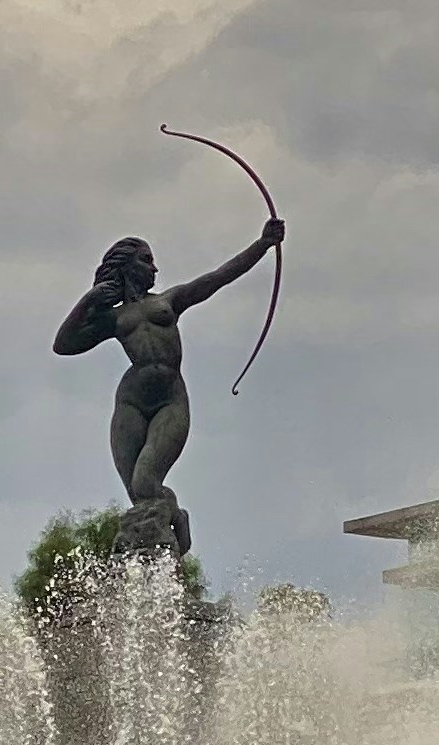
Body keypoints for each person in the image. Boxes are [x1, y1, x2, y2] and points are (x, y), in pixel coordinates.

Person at [53, 219, 284, 539]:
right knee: (138, 496)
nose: (154, 268)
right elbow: (63, 345)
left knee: (146, 481)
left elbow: (217, 278)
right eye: (146, 260)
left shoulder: (168, 301)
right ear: (126, 266)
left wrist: (263, 244)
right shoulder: (114, 318)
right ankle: (159, 537)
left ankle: (176, 518)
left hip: (169, 399)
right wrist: (88, 301)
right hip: (131, 401)